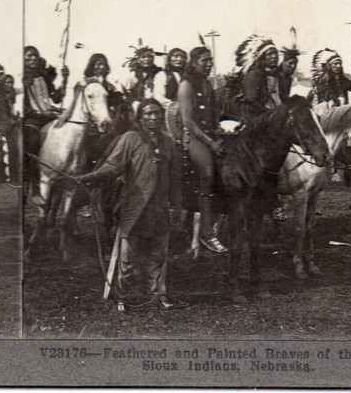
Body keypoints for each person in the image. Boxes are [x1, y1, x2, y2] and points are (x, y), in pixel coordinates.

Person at [66, 99, 182, 310]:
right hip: (134, 207)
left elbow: (175, 177)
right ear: (140, 118)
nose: (153, 118)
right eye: (147, 114)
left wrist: (176, 205)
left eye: (156, 113)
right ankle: (122, 295)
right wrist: (92, 177)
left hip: (159, 208)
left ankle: (158, 294)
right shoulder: (130, 139)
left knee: (158, 254)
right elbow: (112, 166)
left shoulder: (168, 142)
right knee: (127, 256)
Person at [177, 46, 227, 254]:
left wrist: (220, 131)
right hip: (195, 138)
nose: (209, 64)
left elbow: (213, 115)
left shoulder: (207, 83)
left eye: (211, 60)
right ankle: (206, 232)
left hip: (210, 135)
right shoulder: (186, 86)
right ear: (194, 62)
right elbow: (188, 121)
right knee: (207, 172)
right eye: (204, 60)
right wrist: (210, 141)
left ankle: (218, 219)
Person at [234, 35, 278, 121]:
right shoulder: (255, 74)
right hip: (252, 120)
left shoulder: (265, 74)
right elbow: (251, 101)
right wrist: (270, 113)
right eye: (270, 54)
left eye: (275, 53)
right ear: (262, 58)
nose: (274, 56)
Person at [23, 46, 66, 122]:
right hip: (31, 119)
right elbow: (22, 107)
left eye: (36, 55)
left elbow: (57, 99)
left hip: (48, 114)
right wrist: (39, 113)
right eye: (30, 56)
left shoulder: (44, 78)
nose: (33, 58)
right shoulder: (21, 79)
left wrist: (65, 80)